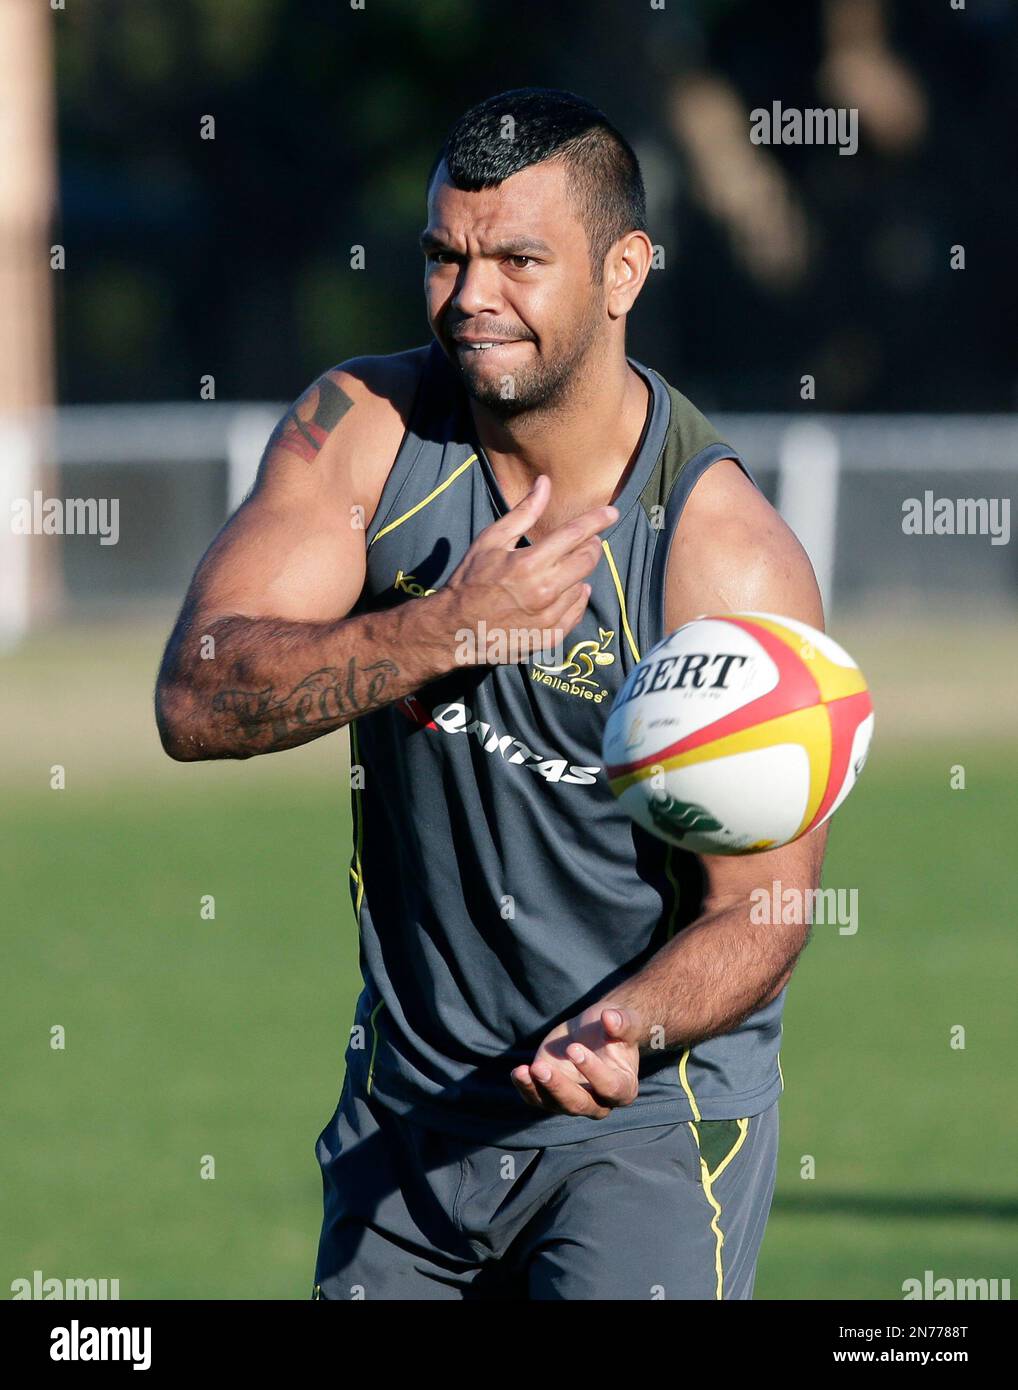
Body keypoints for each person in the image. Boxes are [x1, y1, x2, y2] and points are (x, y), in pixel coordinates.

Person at [155, 87, 825, 1300]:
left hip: (644, 1131)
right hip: (407, 1123)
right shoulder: (362, 430)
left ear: (623, 271)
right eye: (445, 257)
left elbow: (768, 908)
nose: (471, 297)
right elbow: (196, 700)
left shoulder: (721, 552)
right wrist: (443, 629)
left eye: (520, 259)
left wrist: (627, 1027)